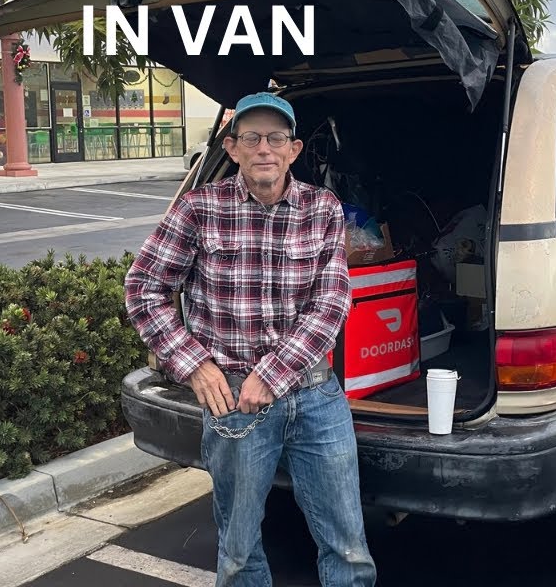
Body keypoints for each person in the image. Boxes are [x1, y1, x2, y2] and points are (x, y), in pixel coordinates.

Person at [124, 91, 377, 587]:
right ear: (232, 147)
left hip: (315, 396)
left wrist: (273, 373)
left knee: (347, 547)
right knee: (238, 551)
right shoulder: (199, 209)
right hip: (233, 401)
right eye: (252, 137)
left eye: (276, 138)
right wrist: (195, 365)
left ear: (294, 150)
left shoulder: (321, 208)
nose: (265, 148)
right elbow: (144, 288)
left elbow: (331, 305)